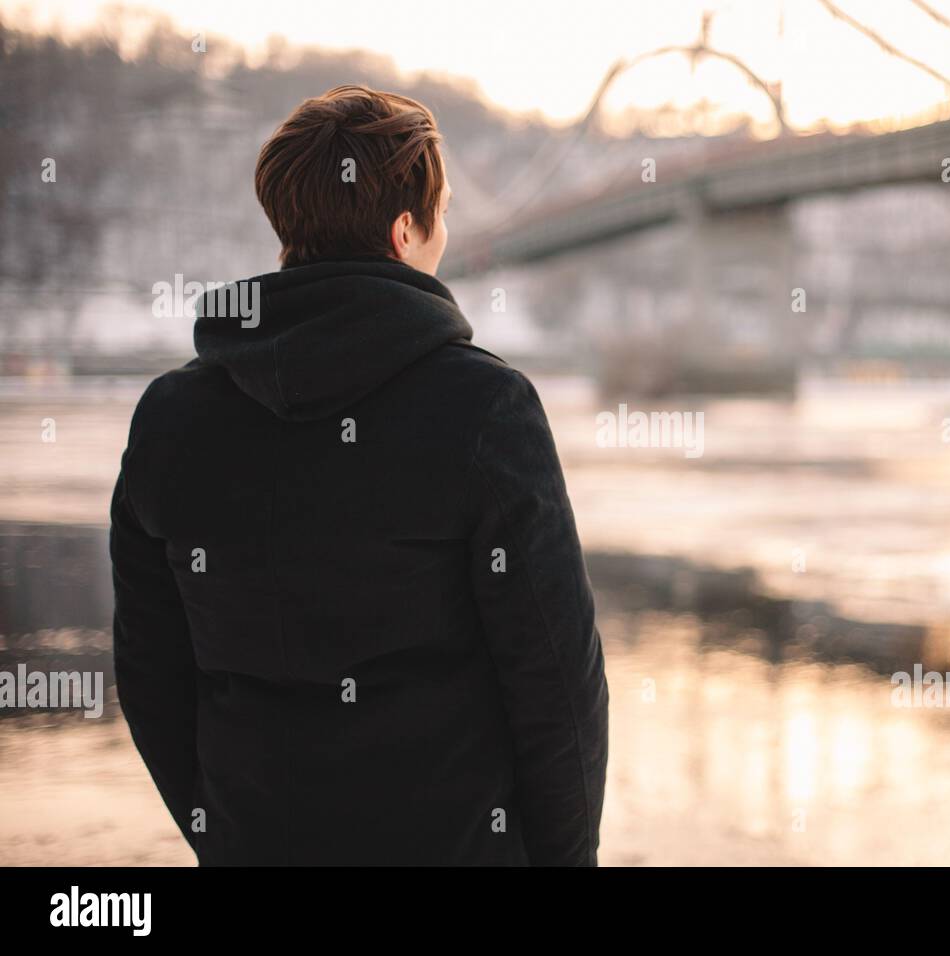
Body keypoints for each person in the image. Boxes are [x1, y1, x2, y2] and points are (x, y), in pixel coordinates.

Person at [110, 85, 609, 866]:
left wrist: (223, 829)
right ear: (405, 228)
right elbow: (555, 683)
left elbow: (149, 675)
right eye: (440, 214)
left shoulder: (171, 418)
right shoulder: (484, 409)